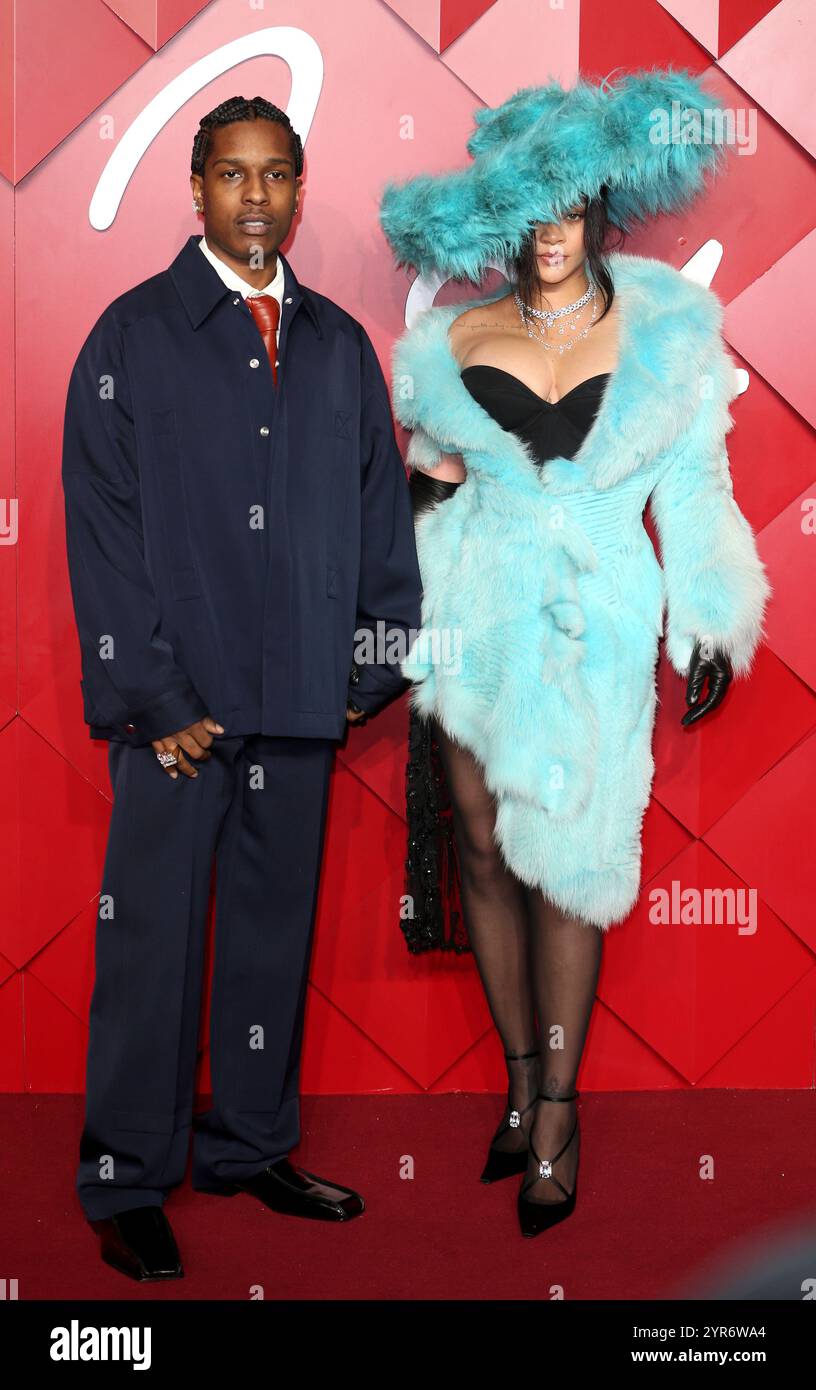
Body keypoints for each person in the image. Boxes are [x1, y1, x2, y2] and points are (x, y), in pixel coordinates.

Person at [379, 71, 772, 1237]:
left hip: (603, 626)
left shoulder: (670, 332)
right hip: (474, 627)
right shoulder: (448, 344)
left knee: (574, 865)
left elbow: (698, 488)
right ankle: (515, 1073)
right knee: (489, 858)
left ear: (601, 204)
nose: (549, 233)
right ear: (499, 221)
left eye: (569, 202)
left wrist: (709, 612)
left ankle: (559, 1105)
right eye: (526, 209)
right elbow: (425, 496)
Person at [61, 94, 422, 1280]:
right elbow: (102, 534)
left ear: (301, 191)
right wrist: (157, 701)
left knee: (271, 938)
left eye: (276, 175)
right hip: (176, 715)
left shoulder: (335, 347)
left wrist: (362, 672)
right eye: (232, 174)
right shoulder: (132, 336)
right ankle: (124, 1174)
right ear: (198, 188)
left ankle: (251, 1143)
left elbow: (380, 523)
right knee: (152, 945)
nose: (254, 196)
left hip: (301, 700)